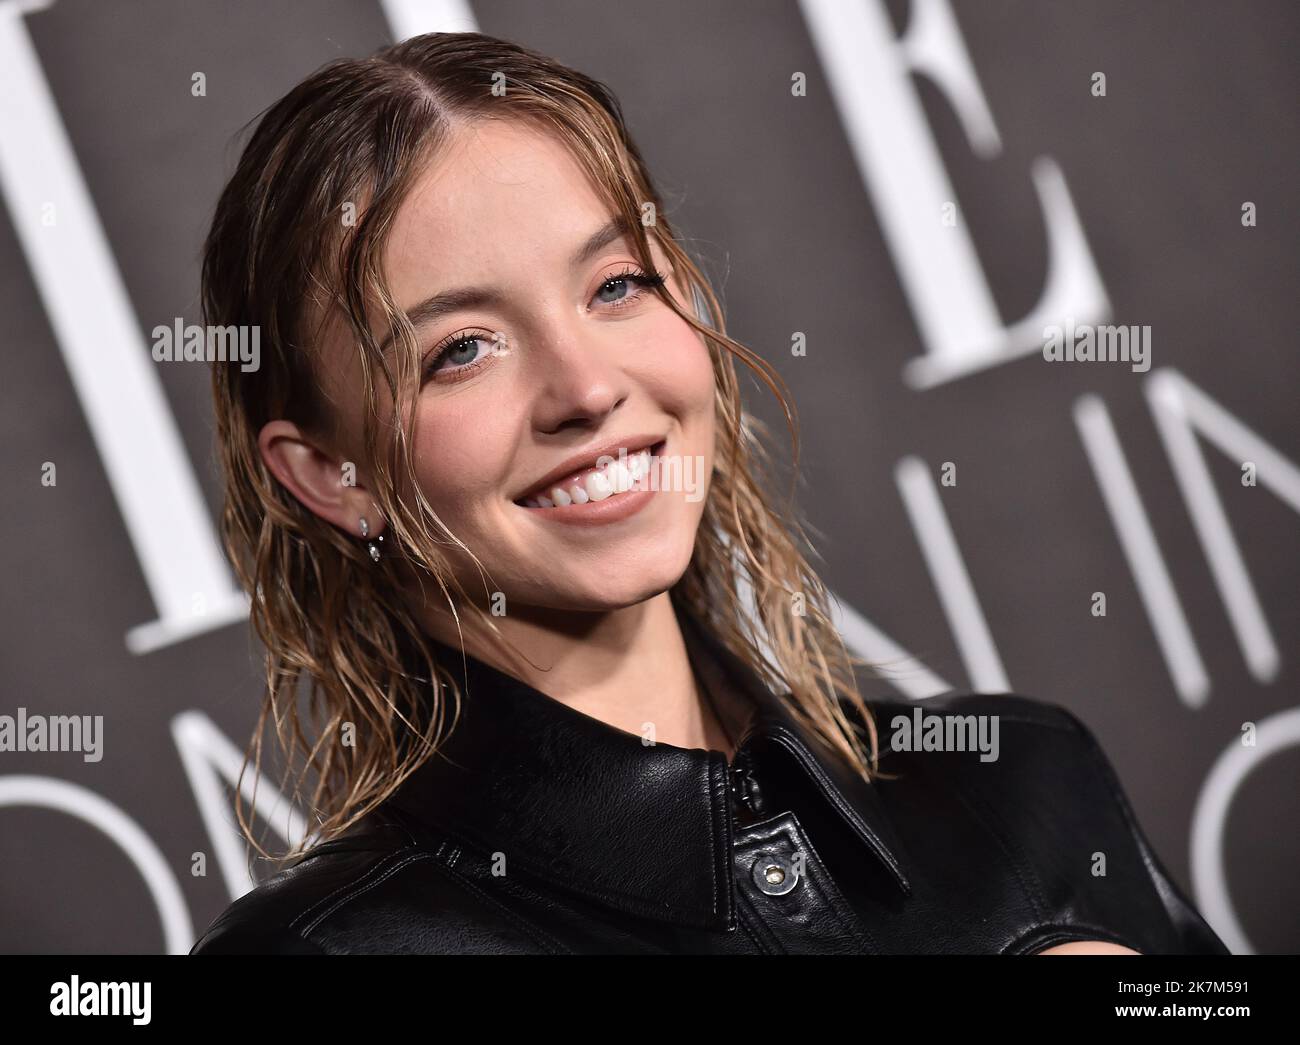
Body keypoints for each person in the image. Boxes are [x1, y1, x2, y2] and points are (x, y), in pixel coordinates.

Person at [188, 31, 1228, 956]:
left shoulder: (1025, 783)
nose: (587, 386)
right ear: (332, 476)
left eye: (614, 286)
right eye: (461, 349)